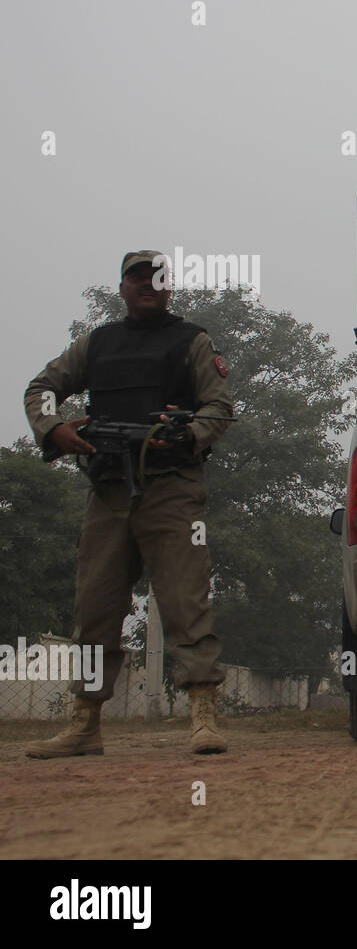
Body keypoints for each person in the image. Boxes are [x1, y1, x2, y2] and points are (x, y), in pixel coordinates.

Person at [23, 250, 235, 758]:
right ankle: (84, 724)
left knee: (186, 602)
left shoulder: (192, 340)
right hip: (109, 491)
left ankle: (203, 716)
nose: (147, 285)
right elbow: (42, 387)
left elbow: (219, 407)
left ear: (170, 289)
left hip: (173, 489)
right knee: (95, 610)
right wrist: (55, 428)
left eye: (157, 278)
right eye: (137, 278)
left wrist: (186, 435)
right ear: (122, 287)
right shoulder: (98, 343)